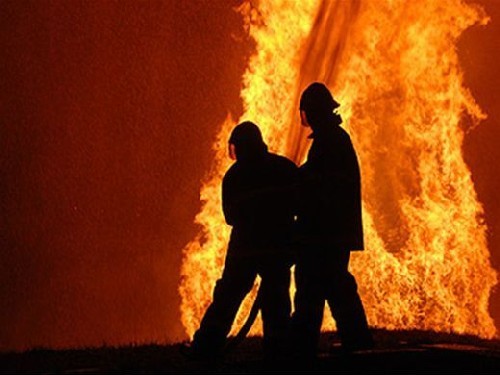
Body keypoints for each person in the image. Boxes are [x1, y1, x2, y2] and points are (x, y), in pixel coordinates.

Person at [186, 121, 298, 361]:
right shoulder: (283, 168)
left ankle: (206, 346)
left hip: (245, 250)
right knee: (276, 299)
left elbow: (231, 217)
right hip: (276, 249)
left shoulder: (234, 177)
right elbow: (299, 206)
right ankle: (277, 350)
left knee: (228, 298)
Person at [292, 82, 374, 359]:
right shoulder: (333, 139)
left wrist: (295, 180)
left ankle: (304, 345)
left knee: (312, 288)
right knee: (334, 286)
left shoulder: (330, 142)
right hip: (332, 233)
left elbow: (319, 185)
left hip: (324, 234)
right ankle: (355, 338)